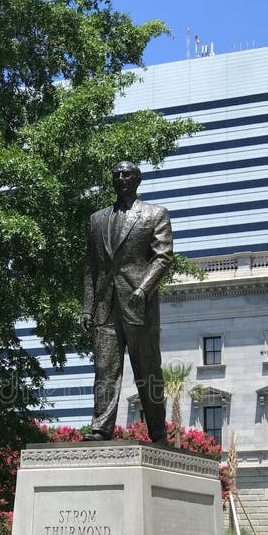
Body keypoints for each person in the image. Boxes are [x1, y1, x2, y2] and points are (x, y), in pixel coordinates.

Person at [81, 160, 173, 444]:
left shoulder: (155, 214)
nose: (121, 178)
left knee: (147, 371)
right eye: (116, 175)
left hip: (138, 303)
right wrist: (87, 307)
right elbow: (91, 268)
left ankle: (157, 431)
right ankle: (101, 428)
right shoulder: (97, 219)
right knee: (105, 369)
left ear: (138, 179)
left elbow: (163, 257)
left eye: (127, 174)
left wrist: (144, 289)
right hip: (105, 306)